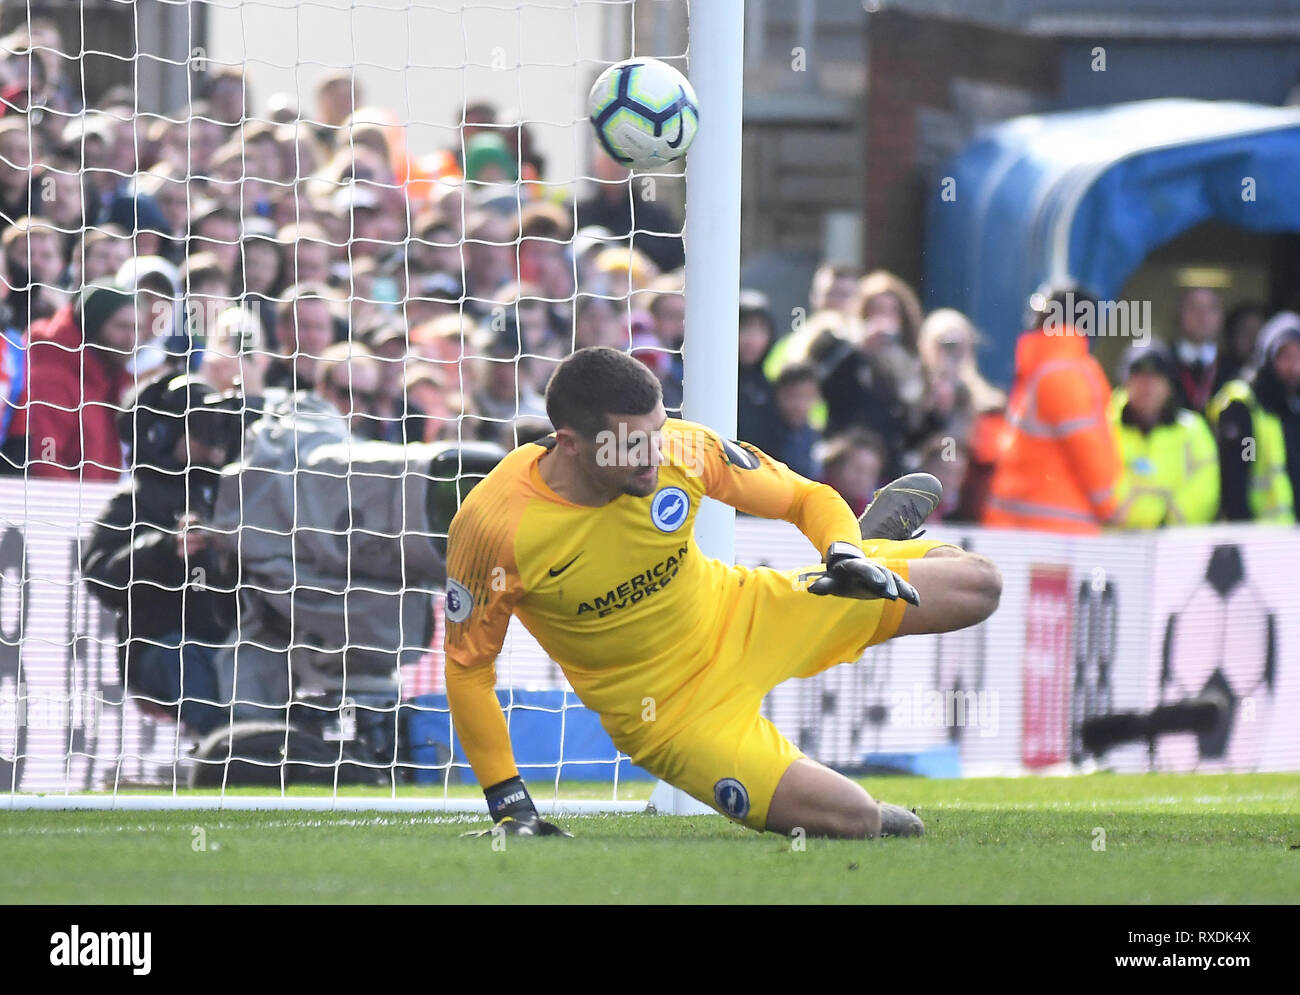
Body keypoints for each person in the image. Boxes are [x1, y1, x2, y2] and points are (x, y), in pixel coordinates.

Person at [444, 346, 1000, 839]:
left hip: (745, 613)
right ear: (570, 444)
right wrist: (509, 804)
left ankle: (861, 550)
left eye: (660, 430)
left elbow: (805, 497)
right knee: (855, 820)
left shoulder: (681, 451)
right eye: (636, 444)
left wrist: (840, 549)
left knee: (979, 586)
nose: (655, 453)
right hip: (671, 715)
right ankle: (868, 552)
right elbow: (469, 669)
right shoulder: (496, 525)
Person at [81, 372, 244, 735]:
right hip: (164, 646)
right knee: (182, 657)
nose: (214, 443)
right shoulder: (136, 500)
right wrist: (166, 548)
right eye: (202, 428)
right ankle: (226, 747)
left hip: (234, 643)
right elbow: (99, 573)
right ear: (163, 434)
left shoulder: (239, 496)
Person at [984, 285, 1121, 534]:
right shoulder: (1065, 371)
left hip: (1028, 525)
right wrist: (1110, 507)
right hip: (1056, 531)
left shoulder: (1046, 368)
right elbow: (1087, 447)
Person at [4, 281, 143, 479]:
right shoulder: (52, 379)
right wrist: (81, 507)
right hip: (62, 505)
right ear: (94, 325)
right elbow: (46, 457)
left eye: (137, 328)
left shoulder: (108, 379)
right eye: (121, 327)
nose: (131, 339)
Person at [1107, 341, 1219, 528]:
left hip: (1174, 545)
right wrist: (1123, 513)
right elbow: (1095, 479)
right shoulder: (1104, 425)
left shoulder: (1192, 429)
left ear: (1169, 385)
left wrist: (1169, 520)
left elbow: (1206, 487)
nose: (1147, 385)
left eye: (1156, 377)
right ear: (1125, 382)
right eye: (1139, 376)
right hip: (1113, 541)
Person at [1206, 312, 1300, 523]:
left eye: (1298, 357)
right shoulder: (1244, 405)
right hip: (1257, 539)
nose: (1294, 367)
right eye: (1285, 357)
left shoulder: (1293, 404)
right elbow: (1237, 475)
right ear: (1266, 358)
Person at [1170, 286, 1227, 414]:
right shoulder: (1165, 363)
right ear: (1179, 314)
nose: (1203, 316)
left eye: (1211, 308)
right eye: (1194, 308)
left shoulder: (1232, 367)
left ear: (1221, 317)